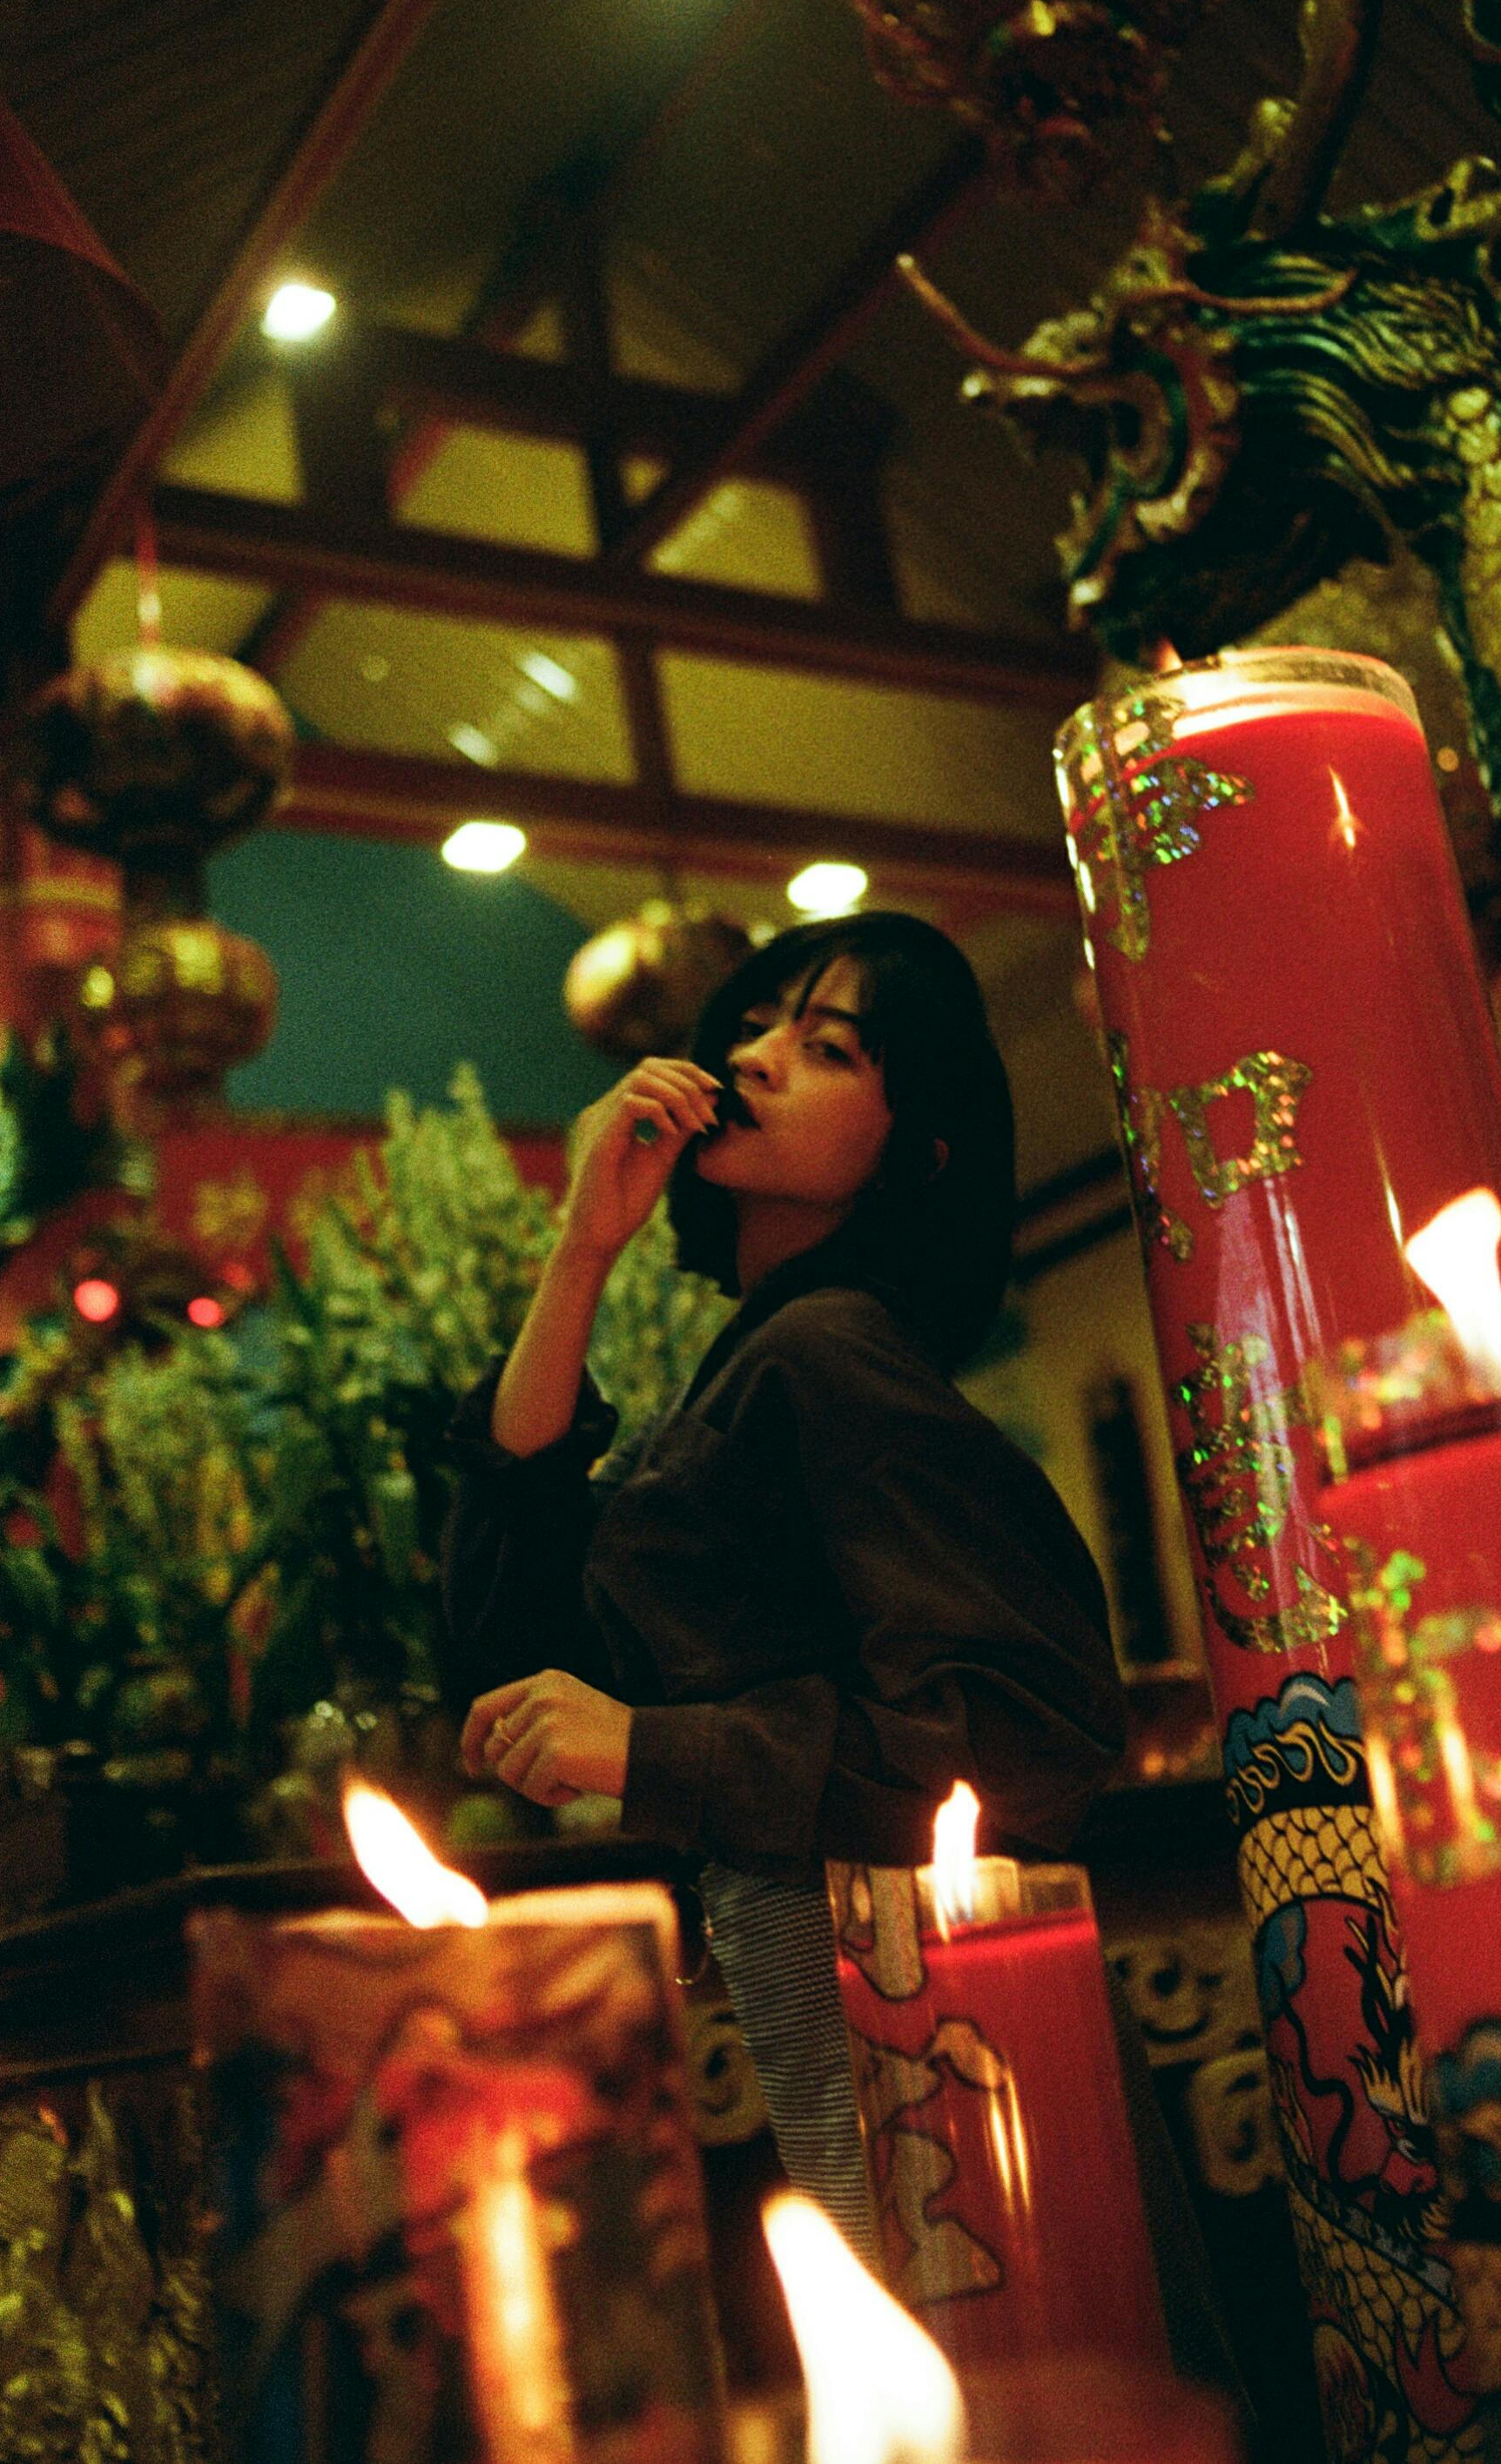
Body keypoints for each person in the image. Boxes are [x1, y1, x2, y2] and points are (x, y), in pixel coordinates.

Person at [441, 911, 1127, 2253]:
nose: (752, 1058)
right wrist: (583, 1246)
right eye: (753, 1027)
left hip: (926, 2021)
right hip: (823, 1985)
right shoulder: (758, 1363)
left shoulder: (834, 1352)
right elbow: (503, 1651)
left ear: (916, 1149)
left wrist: (653, 1749)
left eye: (825, 1048)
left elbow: (1019, 1734)